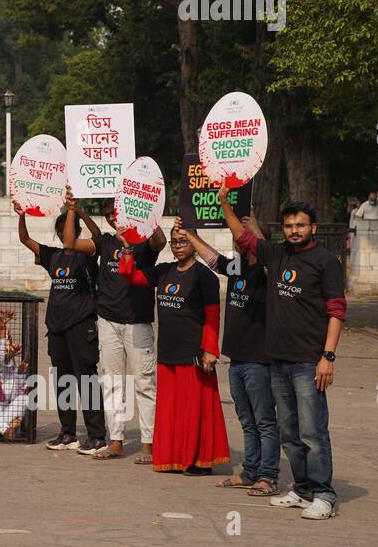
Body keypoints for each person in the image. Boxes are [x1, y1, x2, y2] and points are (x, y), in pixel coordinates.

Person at [220, 187, 346, 520]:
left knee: (312, 433)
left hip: (309, 362)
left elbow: (337, 310)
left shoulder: (326, 261)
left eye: (300, 225)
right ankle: (302, 490)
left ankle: (324, 494)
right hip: (277, 361)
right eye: (289, 226)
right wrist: (224, 203)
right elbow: (243, 238)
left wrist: (328, 357)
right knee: (289, 434)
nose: (294, 231)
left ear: (313, 228)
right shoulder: (277, 255)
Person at [118, 219, 229, 475]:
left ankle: (198, 461)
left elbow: (213, 316)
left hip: (194, 354)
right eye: (174, 242)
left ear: (194, 242)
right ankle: (174, 458)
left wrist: (210, 350)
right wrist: (126, 247)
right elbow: (131, 275)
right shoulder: (164, 271)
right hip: (167, 353)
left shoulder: (205, 277)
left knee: (194, 411)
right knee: (171, 411)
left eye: (183, 241)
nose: (178, 246)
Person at [179, 217, 278, 496]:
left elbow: (266, 251)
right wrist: (190, 233)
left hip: (260, 360)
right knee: (247, 421)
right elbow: (213, 259)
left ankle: (268, 476)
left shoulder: (270, 270)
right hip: (237, 359)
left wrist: (253, 223)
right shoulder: (238, 267)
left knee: (264, 422)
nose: (239, 239)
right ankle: (250, 472)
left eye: (245, 236)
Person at [65, 195, 165, 462]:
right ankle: (116, 441)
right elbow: (70, 243)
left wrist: (145, 210)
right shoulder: (106, 241)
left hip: (138, 322)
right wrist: (73, 210)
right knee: (112, 383)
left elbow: (160, 242)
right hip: (108, 320)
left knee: (144, 384)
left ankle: (147, 445)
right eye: (107, 213)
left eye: (116, 212)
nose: (111, 217)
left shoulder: (143, 240)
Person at [16, 198, 106, 454]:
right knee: (63, 381)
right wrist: (21, 215)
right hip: (56, 327)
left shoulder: (86, 254)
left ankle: (97, 436)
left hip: (81, 325)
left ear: (75, 231)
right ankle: (68, 434)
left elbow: (98, 236)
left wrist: (76, 211)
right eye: (59, 230)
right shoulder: (52, 255)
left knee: (86, 379)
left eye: (66, 229)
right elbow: (25, 239)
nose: (62, 233)